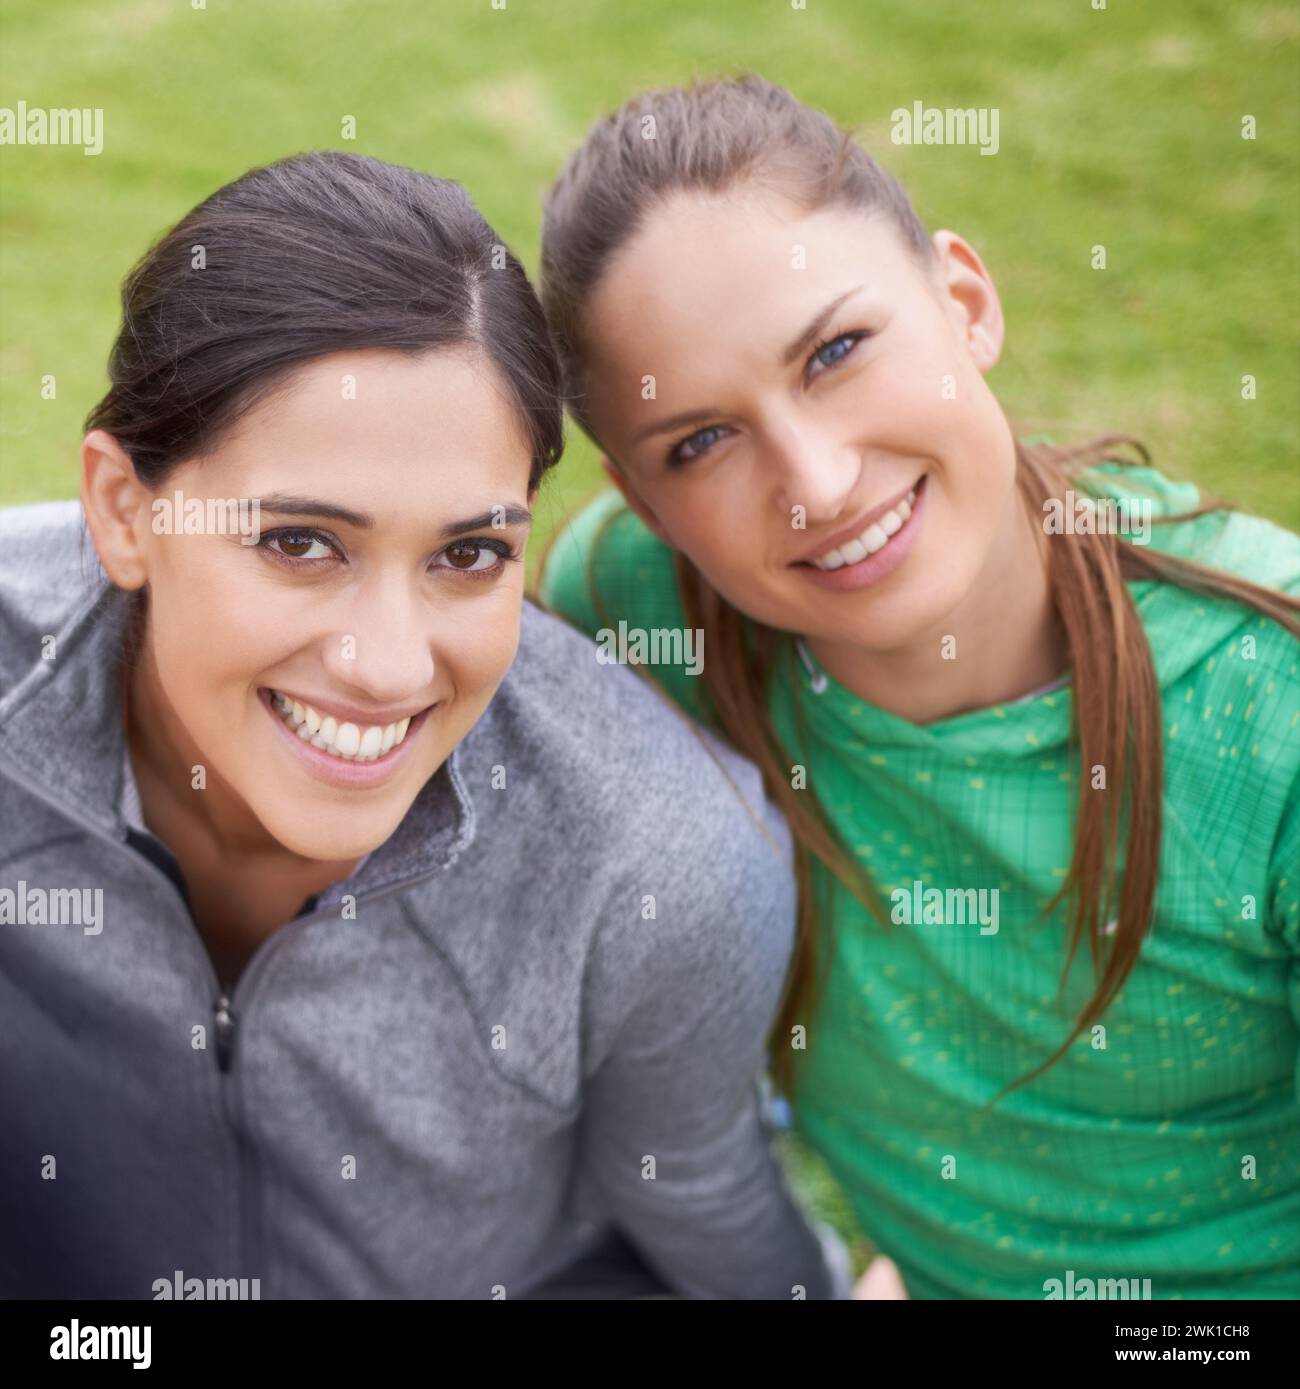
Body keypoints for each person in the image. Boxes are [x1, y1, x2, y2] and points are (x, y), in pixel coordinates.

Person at [0, 150, 855, 1300]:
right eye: (300, 542)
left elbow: (695, 1195)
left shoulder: (660, 863)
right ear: (124, 511)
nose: (388, 665)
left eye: (468, 554)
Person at [536, 74, 1300, 1299]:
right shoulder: (631, 615)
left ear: (964, 301)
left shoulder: (1271, 712)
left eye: (834, 352)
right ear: (645, 504)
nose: (820, 481)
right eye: (700, 442)